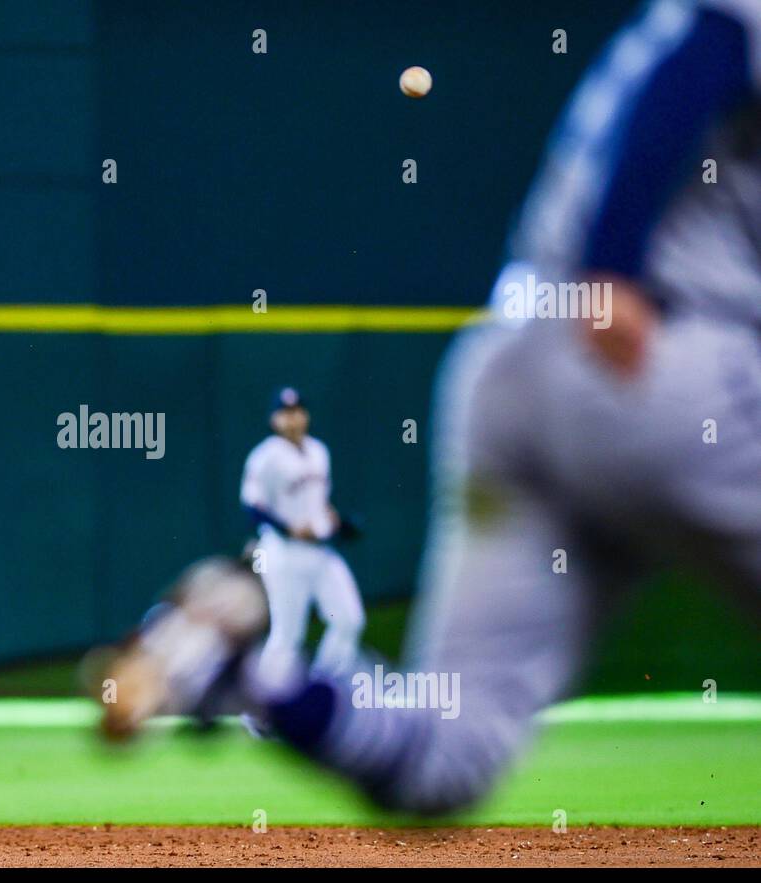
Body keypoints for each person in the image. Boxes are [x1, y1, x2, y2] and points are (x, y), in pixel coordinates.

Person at [103, 0, 761, 815]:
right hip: (656, 355)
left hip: (510, 362)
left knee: (445, 757)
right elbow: (708, 51)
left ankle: (242, 671)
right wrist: (611, 267)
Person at [241, 387, 365, 682]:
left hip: (320, 550)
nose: (293, 418)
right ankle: (263, 709)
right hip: (283, 551)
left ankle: (325, 691)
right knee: (288, 634)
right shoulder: (265, 456)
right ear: (274, 420)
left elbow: (319, 500)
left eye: (297, 411)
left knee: (349, 619)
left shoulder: (319, 451)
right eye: (285, 413)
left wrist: (335, 521)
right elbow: (252, 505)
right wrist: (288, 527)